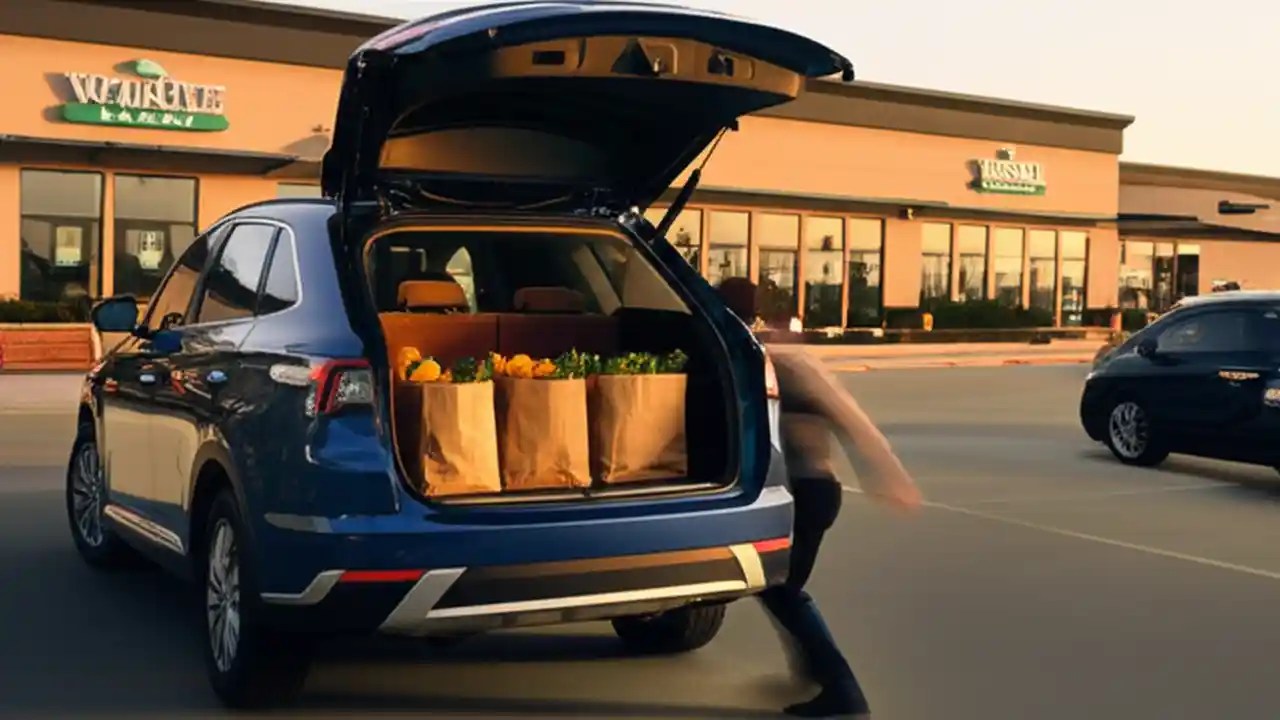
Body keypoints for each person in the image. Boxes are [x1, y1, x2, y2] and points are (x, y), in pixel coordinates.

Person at [716, 277, 922, 719]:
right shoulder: (746, 353)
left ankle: (841, 689)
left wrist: (886, 473)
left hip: (808, 490)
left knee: (782, 589)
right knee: (778, 588)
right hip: (791, 490)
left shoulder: (784, 361)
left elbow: (850, 418)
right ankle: (818, 672)